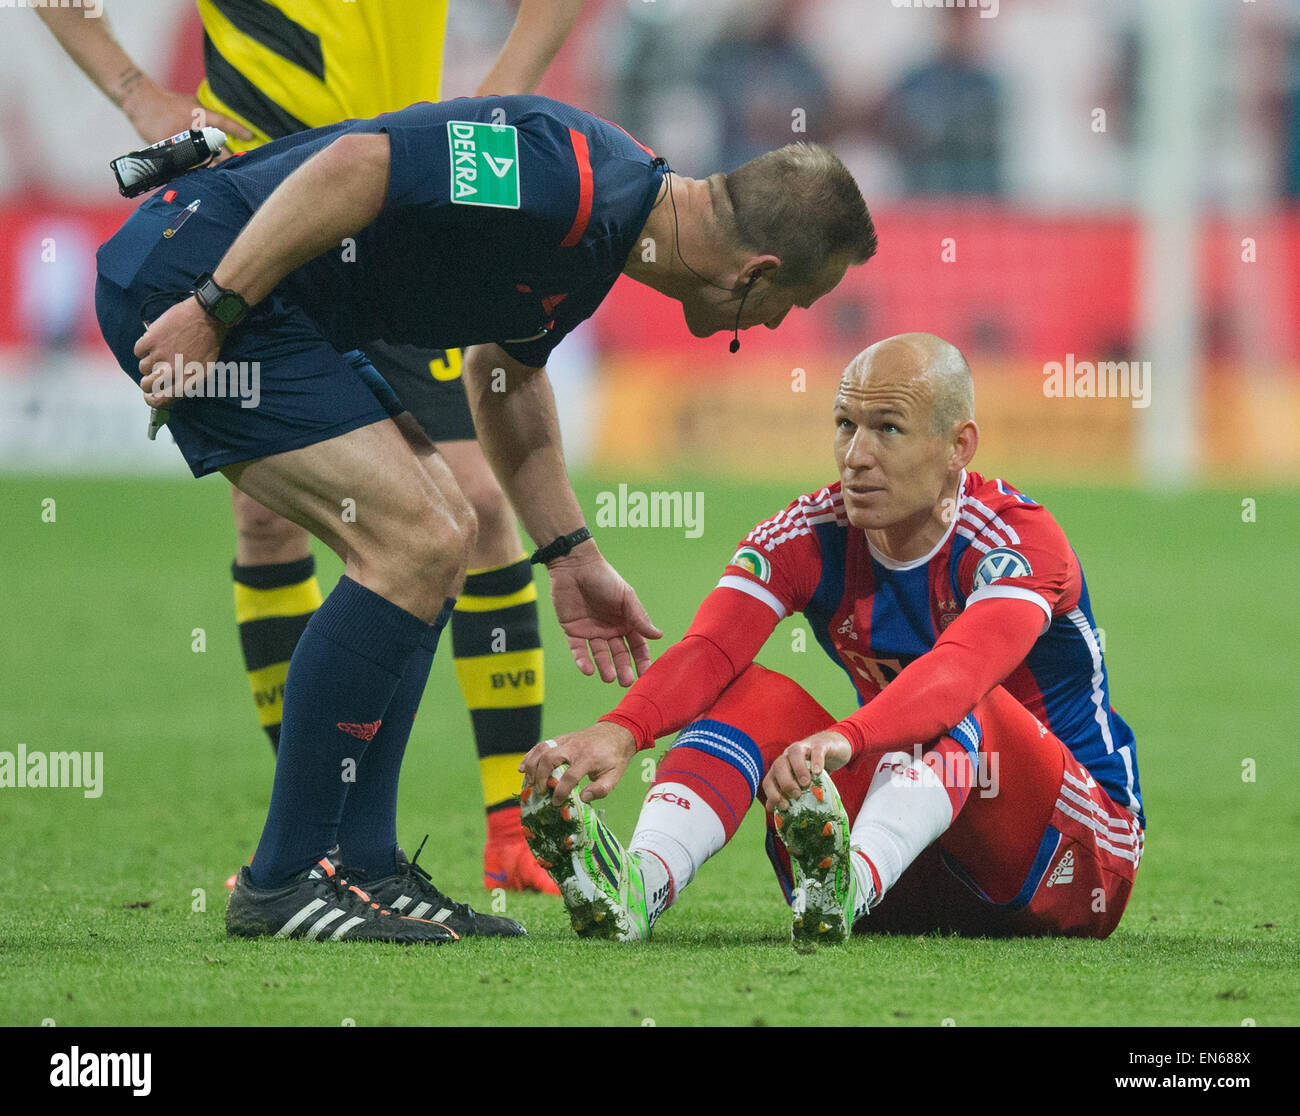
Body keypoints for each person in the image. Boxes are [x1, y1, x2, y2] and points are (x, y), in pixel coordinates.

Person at [94, 97, 877, 942]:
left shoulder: (608, 233)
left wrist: (571, 555)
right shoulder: (573, 185)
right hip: (200, 291)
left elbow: (504, 376)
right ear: (757, 271)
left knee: (447, 531)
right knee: (413, 538)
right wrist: (213, 307)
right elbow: (359, 164)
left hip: (279, 314)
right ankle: (284, 877)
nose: (776, 323)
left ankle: (363, 864)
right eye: (795, 302)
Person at [38, 0, 584, 898]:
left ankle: (509, 829)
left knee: (479, 505)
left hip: (394, 200)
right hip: (249, 199)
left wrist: (490, 105)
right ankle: (313, 834)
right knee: (265, 522)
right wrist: (136, 92)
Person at [520, 332, 1143, 943]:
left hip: (1071, 855)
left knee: (961, 697)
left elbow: (956, 672)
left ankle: (851, 878)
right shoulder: (808, 533)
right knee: (746, 689)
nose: (856, 455)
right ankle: (640, 886)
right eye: (846, 424)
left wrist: (844, 738)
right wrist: (621, 730)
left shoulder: (1015, 538)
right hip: (911, 847)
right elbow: (710, 650)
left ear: (959, 446)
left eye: (888, 429)